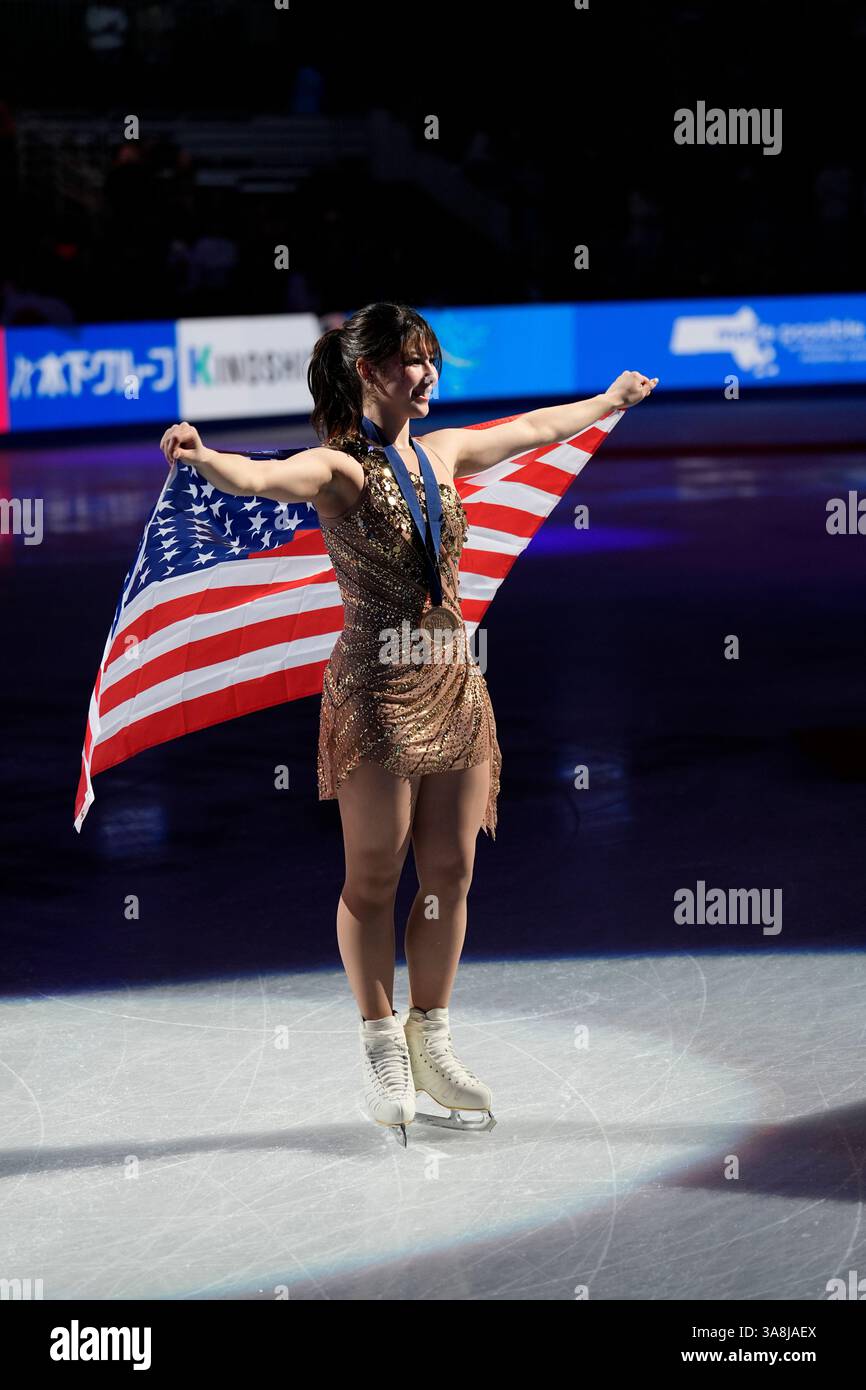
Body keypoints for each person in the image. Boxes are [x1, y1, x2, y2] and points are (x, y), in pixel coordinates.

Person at [160, 301, 658, 1145]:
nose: (425, 376)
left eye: (430, 360)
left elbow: (535, 424)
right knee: (375, 879)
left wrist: (607, 400)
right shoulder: (338, 470)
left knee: (452, 871)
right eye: (407, 363)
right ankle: (381, 1040)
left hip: (457, 683)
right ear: (368, 374)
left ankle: (433, 1036)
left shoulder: (444, 452)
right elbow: (260, 475)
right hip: (378, 692)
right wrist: (206, 458)